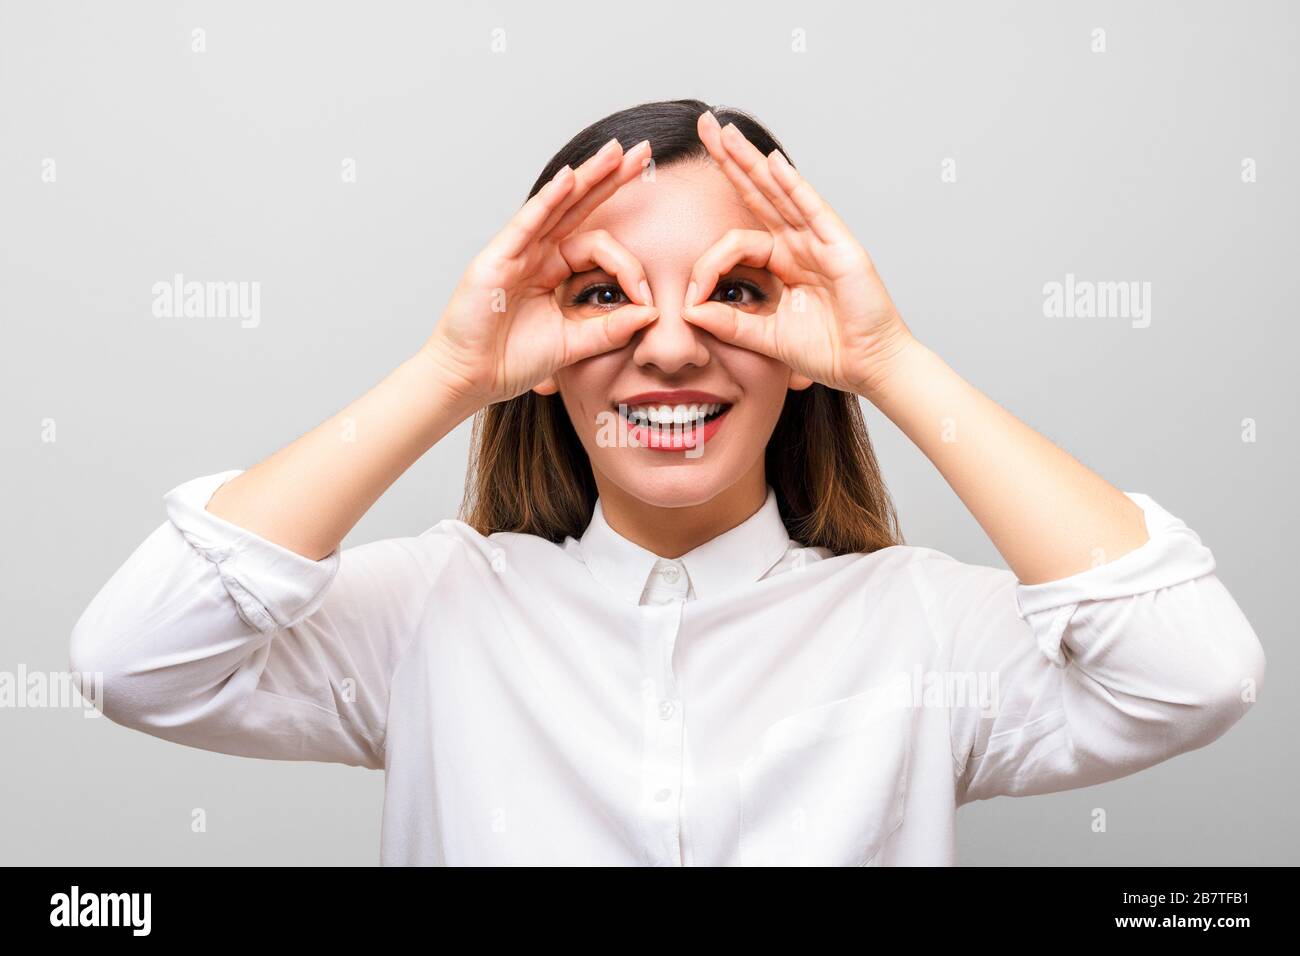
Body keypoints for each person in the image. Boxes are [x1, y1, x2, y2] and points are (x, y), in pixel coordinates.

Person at [69, 99, 1265, 866]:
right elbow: (132, 661)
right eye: (605, 295)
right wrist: (451, 372)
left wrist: (889, 360)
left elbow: (1196, 671)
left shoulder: (917, 626)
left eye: (735, 291)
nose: (673, 343)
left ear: (804, 346)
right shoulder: (434, 611)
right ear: (541, 345)